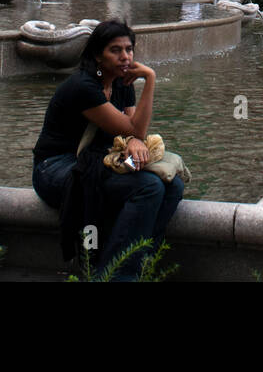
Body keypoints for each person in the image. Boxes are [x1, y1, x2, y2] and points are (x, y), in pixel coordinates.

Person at [32, 20, 183, 280]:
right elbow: (133, 129)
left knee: (173, 185)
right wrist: (150, 78)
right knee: (148, 186)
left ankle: (141, 261)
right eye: (116, 50)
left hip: (93, 160)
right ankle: (115, 275)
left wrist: (135, 141)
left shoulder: (121, 83)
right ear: (97, 55)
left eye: (129, 49)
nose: (125, 57)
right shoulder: (84, 86)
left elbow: (135, 131)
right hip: (55, 168)